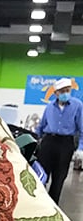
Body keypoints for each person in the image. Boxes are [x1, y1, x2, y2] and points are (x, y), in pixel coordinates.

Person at [36, 76, 83, 204]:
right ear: (56, 93)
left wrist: (80, 148)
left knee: (59, 177)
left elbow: (81, 128)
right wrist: (36, 140)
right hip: (48, 143)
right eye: (62, 91)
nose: (65, 94)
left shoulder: (77, 106)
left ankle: (52, 206)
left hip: (65, 144)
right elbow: (41, 125)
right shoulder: (49, 107)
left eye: (68, 90)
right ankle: (38, 203)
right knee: (41, 176)